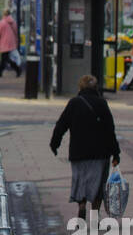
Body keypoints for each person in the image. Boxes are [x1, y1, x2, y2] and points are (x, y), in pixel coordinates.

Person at [49, 74, 121, 221]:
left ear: (80, 87)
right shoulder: (102, 103)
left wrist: (54, 143)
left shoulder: (74, 103)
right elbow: (110, 130)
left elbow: (61, 125)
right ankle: (95, 215)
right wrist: (116, 153)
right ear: (96, 87)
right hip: (100, 153)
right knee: (98, 184)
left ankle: (81, 206)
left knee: (80, 181)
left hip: (78, 152)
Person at [0, 10, 21, 78]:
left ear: (3, 15)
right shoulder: (13, 22)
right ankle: (0, 72)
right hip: (11, 42)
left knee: (5, 58)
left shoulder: (1, 23)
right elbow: (16, 32)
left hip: (4, 43)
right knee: (5, 58)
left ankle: (17, 69)